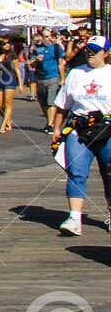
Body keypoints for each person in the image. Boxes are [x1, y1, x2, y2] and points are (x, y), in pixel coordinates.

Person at [49, 35, 111, 237]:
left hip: (107, 128)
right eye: (87, 50)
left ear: (106, 53)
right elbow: (62, 105)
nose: (89, 54)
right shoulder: (76, 73)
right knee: (76, 172)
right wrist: (57, 129)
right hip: (79, 128)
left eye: (94, 51)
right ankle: (75, 217)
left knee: (109, 173)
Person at [32, 31, 66, 123]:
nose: (47, 38)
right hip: (40, 78)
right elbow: (31, 65)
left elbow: (60, 64)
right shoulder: (36, 48)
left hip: (53, 77)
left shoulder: (56, 48)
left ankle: (50, 124)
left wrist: (63, 78)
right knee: (42, 102)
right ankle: (49, 121)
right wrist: (36, 60)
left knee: (51, 102)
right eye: (45, 36)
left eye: (48, 36)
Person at [0, 38, 23, 134]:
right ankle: (8, 120)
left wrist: (21, 84)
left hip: (10, 80)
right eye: (4, 44)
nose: (7, 45)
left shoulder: (13, 55)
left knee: (8, 104)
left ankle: (3, 125)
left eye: (8, 43)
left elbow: (18, 70)